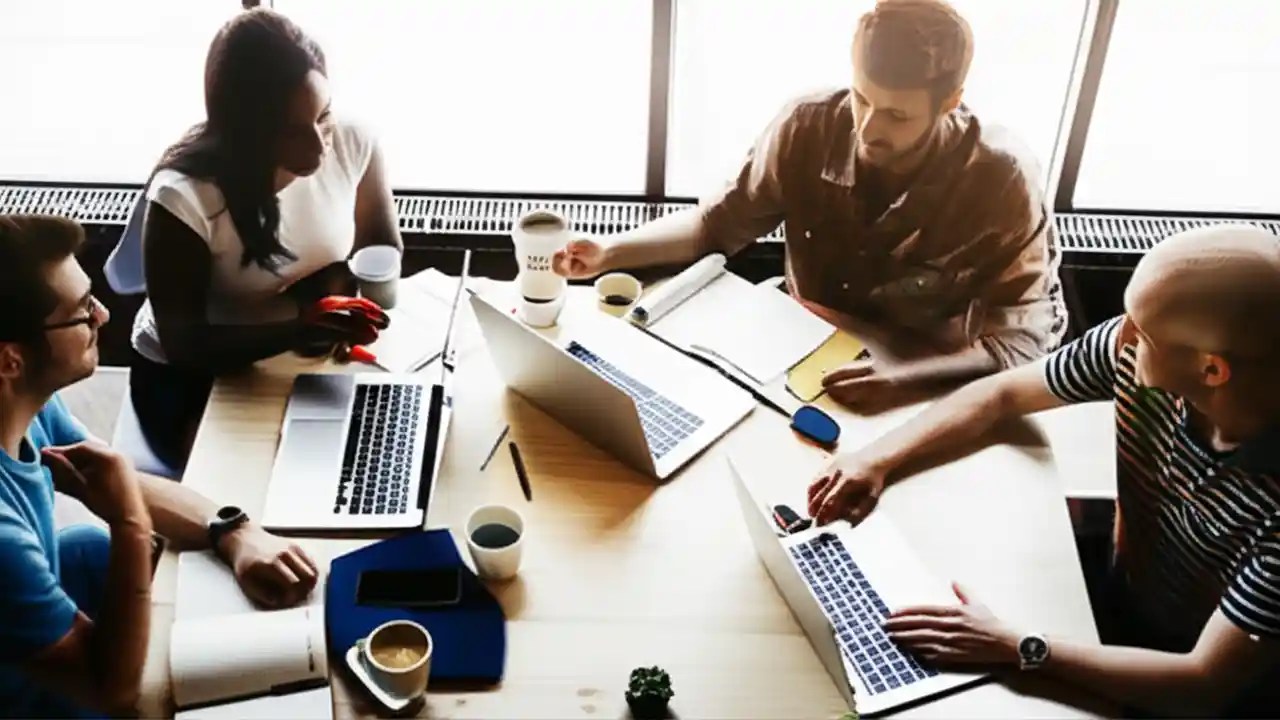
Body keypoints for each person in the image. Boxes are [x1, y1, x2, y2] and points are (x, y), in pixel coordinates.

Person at [807, 225, 1280, 717]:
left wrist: (1016, 646)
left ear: (1211, 370)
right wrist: (876, 458)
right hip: (1124, 599)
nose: (1122, 331)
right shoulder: (1133, 351)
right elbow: (1003, 394)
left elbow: (1202, 684)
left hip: (1203, 683)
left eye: (1143, 329)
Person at [553, 0, 1065, 411]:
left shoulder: (1000, 177)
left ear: (950, 102)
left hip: (924, 381)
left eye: (895, 115)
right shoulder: (808, 125)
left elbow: (1021, 348)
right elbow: (715, 226)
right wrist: (609, 253)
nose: (868, 129)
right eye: (862, 99)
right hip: (795, 352)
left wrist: (903, 377)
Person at [0, 215, 319, 718]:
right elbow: (114, 692)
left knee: (85, 549)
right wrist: (130, 523)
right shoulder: (3, 544)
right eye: (82, 312)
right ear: (10, 360)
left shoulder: (24, 404)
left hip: (28, 609)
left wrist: (234, 533)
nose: (103, 315)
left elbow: (115, 473)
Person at [129, 7, 404, 471]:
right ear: (244, 129)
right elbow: (185, 345)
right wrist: (301, 326)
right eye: (292, 131)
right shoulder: (184, 198)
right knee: (255, 488)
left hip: (293, 352)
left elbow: (381, 249)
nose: (319, 147)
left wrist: (351, 307)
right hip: (191, 379)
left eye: (324, 116)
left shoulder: (354, 141)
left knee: (366, 457)